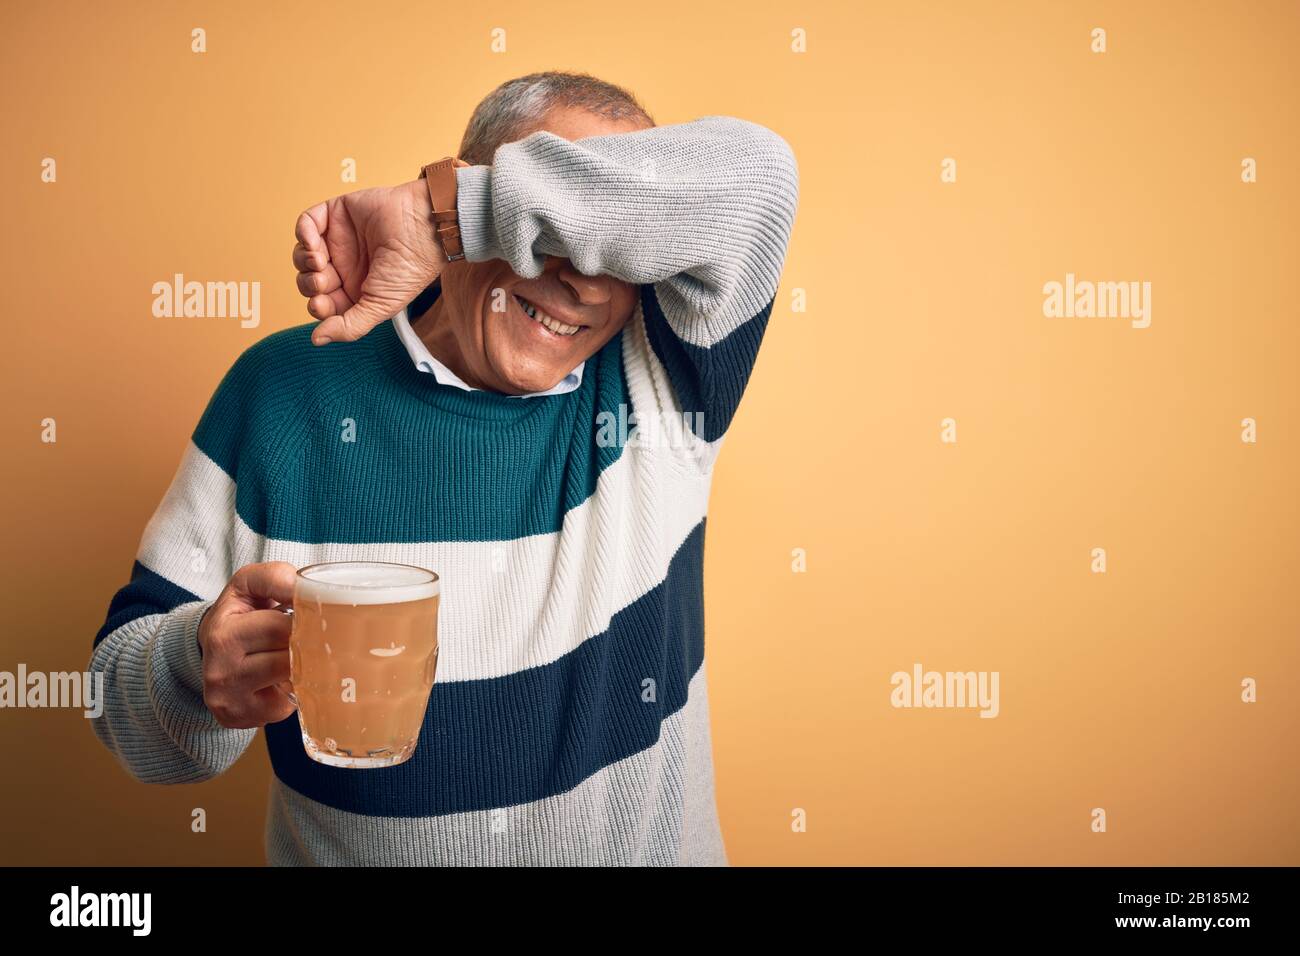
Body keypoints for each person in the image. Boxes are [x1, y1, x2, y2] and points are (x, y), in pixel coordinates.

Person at [89, 71, 798, 865]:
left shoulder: (660, 377)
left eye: (618, 246)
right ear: (465, 186)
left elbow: (760, 177)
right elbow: (120, 708)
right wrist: (193, 665)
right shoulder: (282, 394)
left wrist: (447, 215)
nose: (587, 280)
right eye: (546, 230)